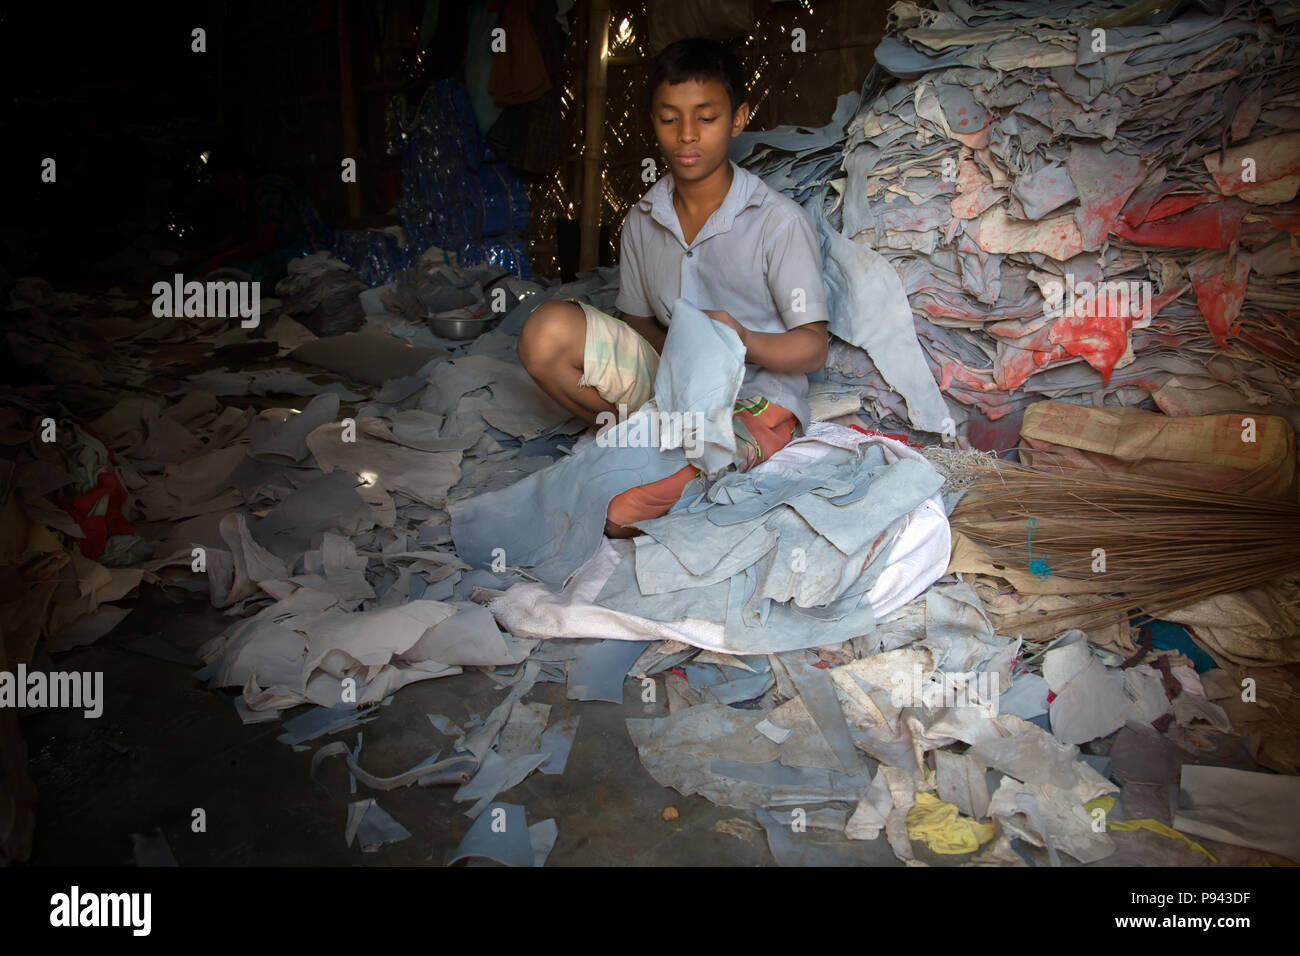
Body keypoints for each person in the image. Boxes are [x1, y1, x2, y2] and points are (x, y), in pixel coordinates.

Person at [516, 38, 830, 537]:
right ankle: (642, 438)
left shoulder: (777, 222)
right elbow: (639, 326)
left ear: (738, 118)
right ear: (653, 122)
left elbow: (813, 348)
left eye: (706, 117)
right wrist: (682, 363)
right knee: (544, 333)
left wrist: (738, 340)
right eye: (669, 118)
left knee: (615, 514)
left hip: (753, 394)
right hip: (671, 384)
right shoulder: (643, 221)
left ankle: (675, 459)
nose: (687, 135)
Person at [176, 150, 333, 285]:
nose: (221, 187)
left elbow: (263, 243)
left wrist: (218, 260)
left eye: (222, 180)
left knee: (264, 271)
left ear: (239, 175)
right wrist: (201, 257)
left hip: (306, 254)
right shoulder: (246, 197)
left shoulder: (269, 191)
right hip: (280, 255)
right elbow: (238, 237)